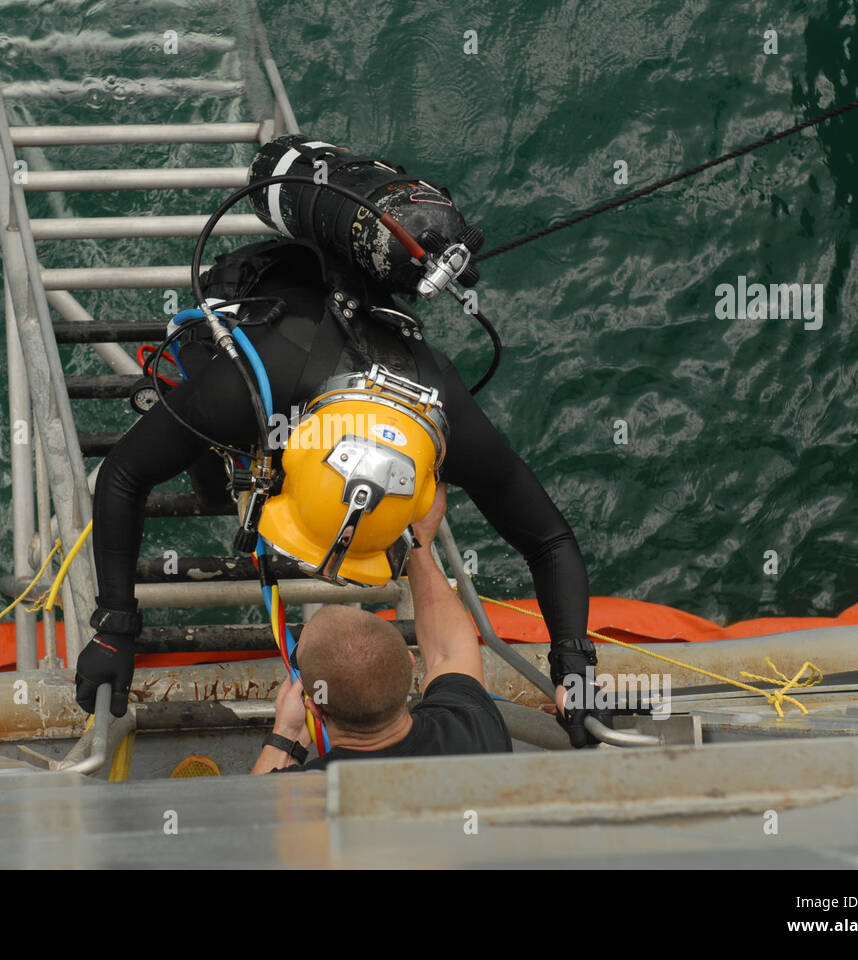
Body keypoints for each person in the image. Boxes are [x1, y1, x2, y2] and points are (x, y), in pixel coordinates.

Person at [74, 237, 602, 747]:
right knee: (213, 483)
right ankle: (210, 469)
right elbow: (125, 474)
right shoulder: (243, 389)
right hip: (261, 303)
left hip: (342, 343)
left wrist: (574, 663)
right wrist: (113, 626)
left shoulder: (446, 410)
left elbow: (549, 541)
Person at [251, 484, 510, 772]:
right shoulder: (473, 728)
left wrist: (286, 737)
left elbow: (249, 813)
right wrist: (417, 544)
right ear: (410, 665)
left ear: (313, 709)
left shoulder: (307, 792)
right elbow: (449, 652)